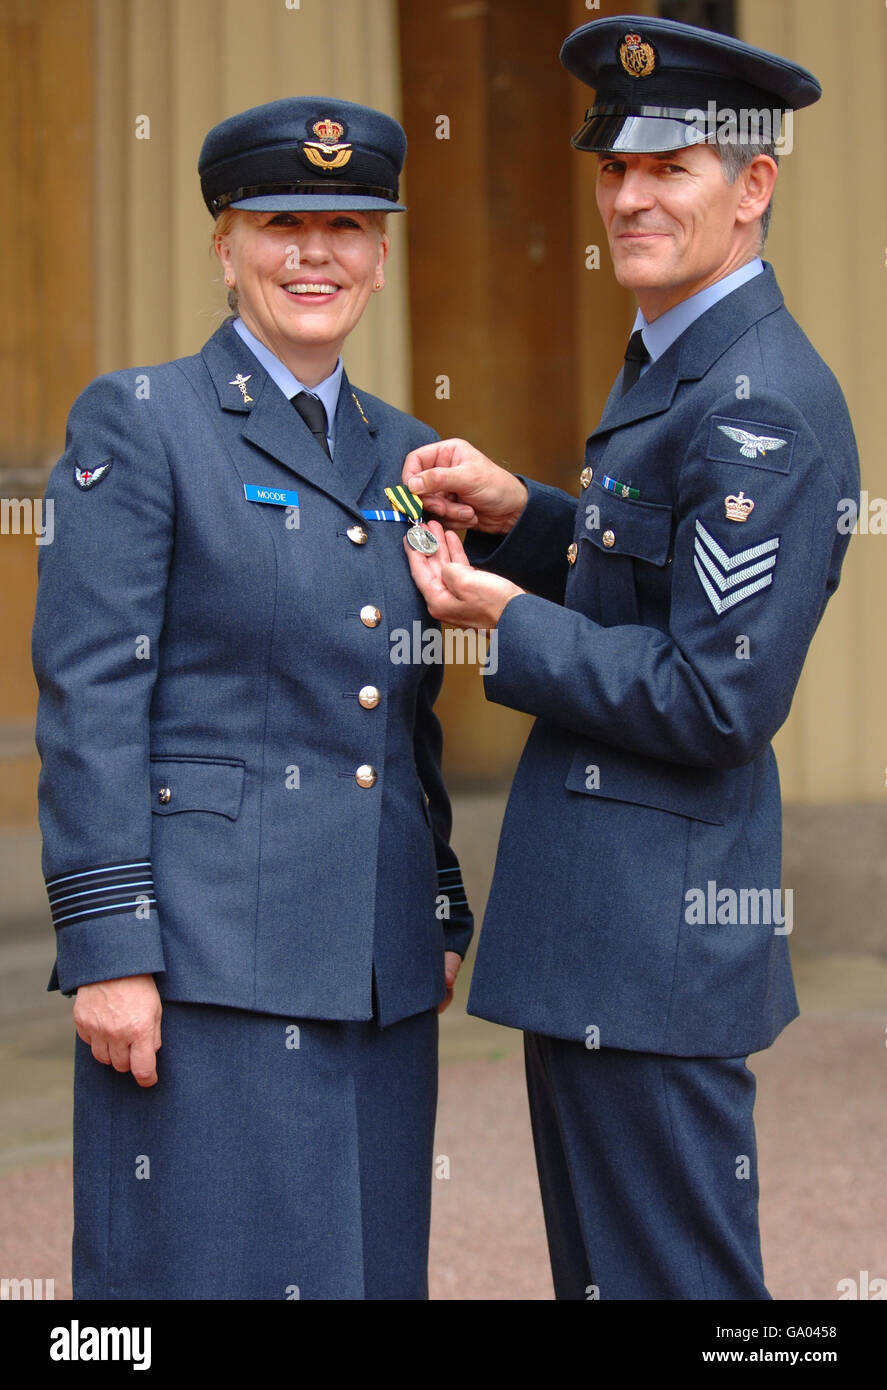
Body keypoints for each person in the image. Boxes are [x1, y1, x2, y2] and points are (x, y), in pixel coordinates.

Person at [402, 16, 859, 1300]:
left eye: (670, 168)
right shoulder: (683, 354)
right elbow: (643, 568)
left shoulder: (756, 401)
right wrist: (523, 511)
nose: (629, 196)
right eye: (613, 169)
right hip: (609, 929)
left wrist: (502, 619)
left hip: (656, 946)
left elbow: (714, 695)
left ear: (751, 185)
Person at [32, 95, 472, 1301]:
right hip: (207, 958)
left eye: (348, 224)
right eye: (282, 221)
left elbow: (406, 706)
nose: (314, 252)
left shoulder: (411, 456)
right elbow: (88, 697)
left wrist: (436, 904)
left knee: (367, 1274)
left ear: (381, 255)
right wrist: (110, 947)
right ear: (223, 244)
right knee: (195, 1277)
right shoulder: (142, 420)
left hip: (377, 963)